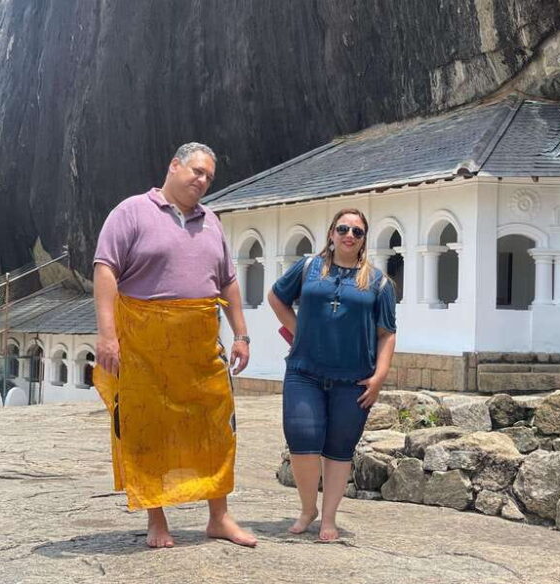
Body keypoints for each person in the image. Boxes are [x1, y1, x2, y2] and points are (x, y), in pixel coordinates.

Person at [92, 142, 257, 548]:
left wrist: (241, 334)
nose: (201, 180)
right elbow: (105, 269)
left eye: (209, 177)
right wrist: (108, 335)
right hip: (144, 343)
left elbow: (228, 281)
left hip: (200, 342)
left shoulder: (212, 222)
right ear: (174, 166)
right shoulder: (131, 212)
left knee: (218, 426)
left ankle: (219, 517)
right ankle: (157, 520)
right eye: (196, 171)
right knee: (147, 429)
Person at [267, 208, 397, 541]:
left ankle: (328, 519)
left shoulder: (379, 283)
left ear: (364, 239)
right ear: (331, 233)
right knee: (302, 441)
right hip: (304, 371)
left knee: (340, 450)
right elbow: (276, 297)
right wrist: (299, 332)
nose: (349, 235)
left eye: (357, 231)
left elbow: (386, 333)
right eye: (343, 228)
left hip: (352, 379)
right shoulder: (309, 268)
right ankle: (308, 508)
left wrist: (380, 376)